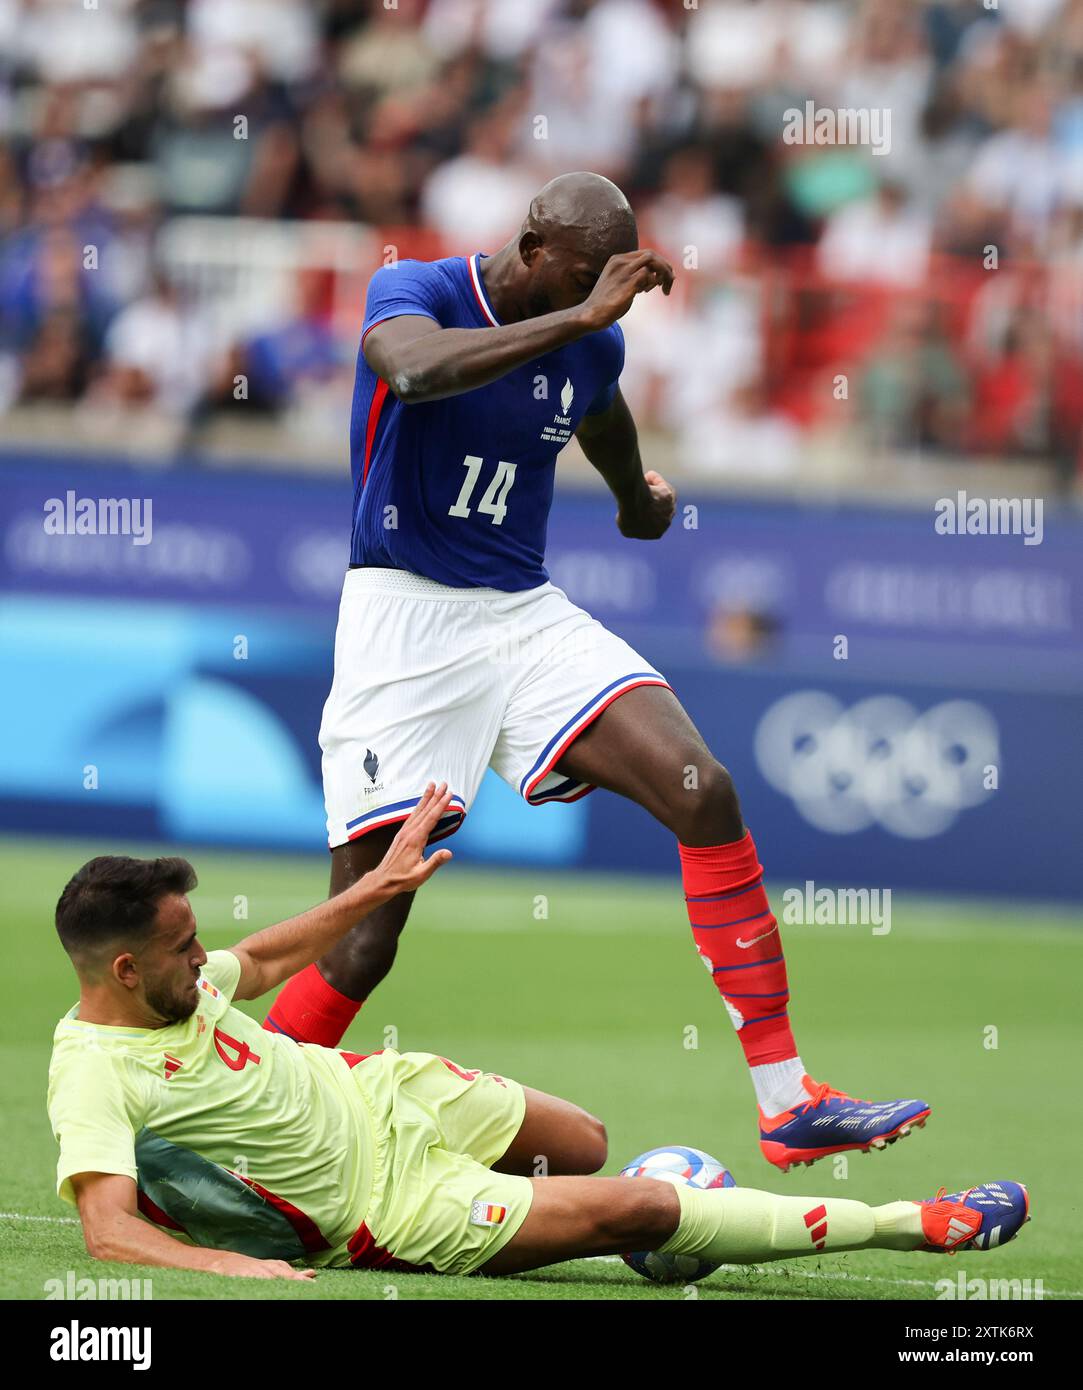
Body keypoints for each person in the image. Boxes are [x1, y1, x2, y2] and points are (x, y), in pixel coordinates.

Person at [268, 171, 929, 1172]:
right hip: (403, 624)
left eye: (597, 290)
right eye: (576, 278)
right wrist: (583, 315)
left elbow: (600, 412)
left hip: (526, 617)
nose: (591, 302)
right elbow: (413, 374)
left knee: (703, 788)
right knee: (364, 936)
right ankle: (243, 1117)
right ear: (534, 245)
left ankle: (787, 1098)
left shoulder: (589, 338)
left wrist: (633, 501)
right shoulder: (421, 292)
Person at [47, 787, 1029, 1280]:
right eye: (183, 946)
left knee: (586, 1143)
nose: (202, 953)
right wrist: (238, 1265)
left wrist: (378, 885)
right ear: (125, 970)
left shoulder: (176, 982)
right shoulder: (93, 1072)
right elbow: (107, 1229)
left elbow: (257, 964)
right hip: (390, 1203)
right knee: (642, 1204)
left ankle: (596, 1211)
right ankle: (914, 1221)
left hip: (388, 1093)